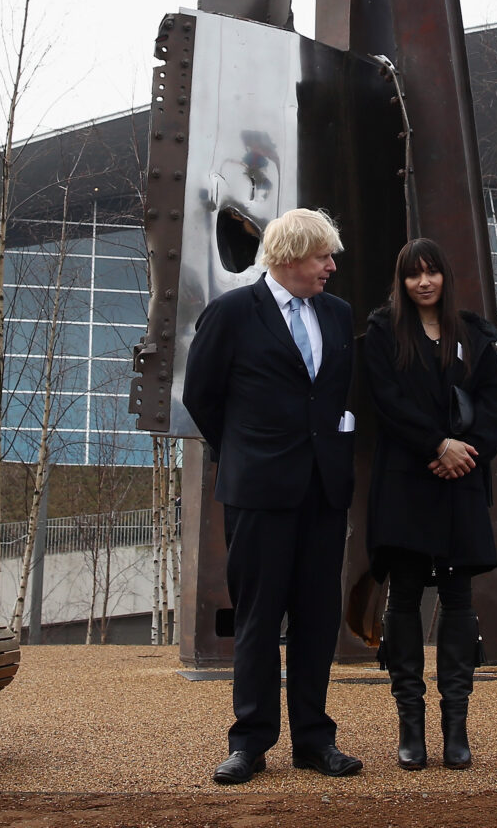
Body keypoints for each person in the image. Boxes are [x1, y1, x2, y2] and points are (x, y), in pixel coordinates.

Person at [181, 208, 361, 785]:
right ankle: (250, 742)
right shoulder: (233, 313)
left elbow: (336, 393)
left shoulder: (337, 314)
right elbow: (202, 397)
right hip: (258, 491)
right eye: (322, 257)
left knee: (317, 617)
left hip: (324, 491)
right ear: (287, 258)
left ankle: (314, 741)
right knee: (258, 618)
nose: (331, 267)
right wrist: (243, 452)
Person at [361, 238, 497, 772]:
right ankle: (410, 726)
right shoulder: (383, 333)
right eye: (412, 275)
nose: (424, 282)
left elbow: (495, 405)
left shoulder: (474, 336)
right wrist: (435, 444)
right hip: (407, 480)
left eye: (432, 273)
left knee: (456, 594)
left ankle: (456, 727)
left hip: (459, 481)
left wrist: (464, 454)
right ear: (400, 282)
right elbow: (387, 402)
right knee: (402, 595)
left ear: (445, 277)